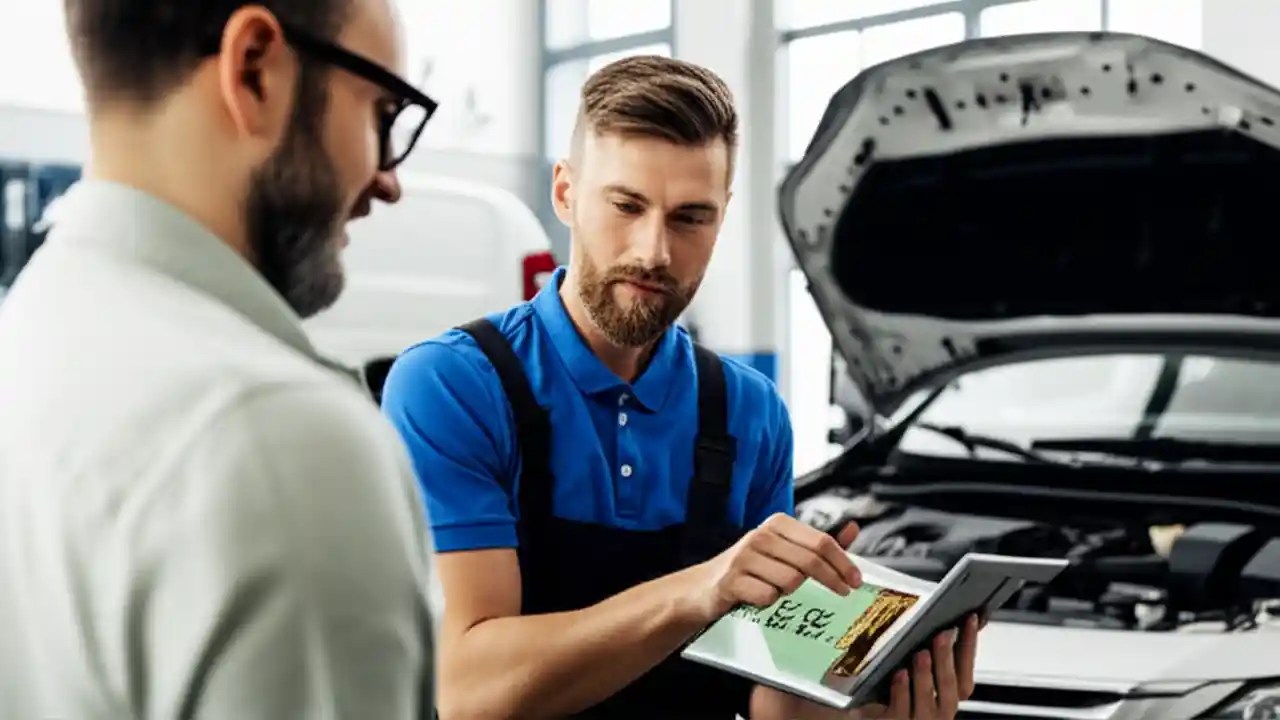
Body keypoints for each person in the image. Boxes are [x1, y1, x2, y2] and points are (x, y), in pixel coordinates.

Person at [380, 55, 980, 719]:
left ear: (722, 217)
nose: (654, 251)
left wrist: (861, 695)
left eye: (690, 217)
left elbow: (767, 700)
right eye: (626, 205)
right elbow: (469, 691)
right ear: (565, 193)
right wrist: (698, 591)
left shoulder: (751, 414)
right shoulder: (454, 385)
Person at [0, 2, 439, 718]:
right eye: (381, 114)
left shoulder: (31, 333)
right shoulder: (279, 443)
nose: (389, 180)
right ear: (255, 69)